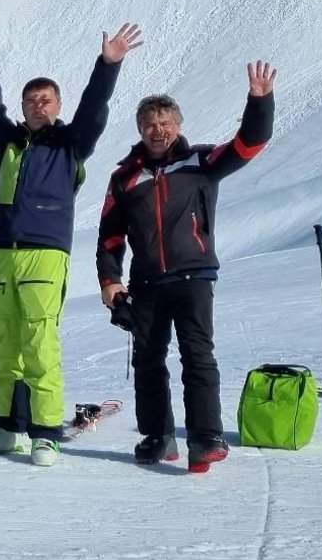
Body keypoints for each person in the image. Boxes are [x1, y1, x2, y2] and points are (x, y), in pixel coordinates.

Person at [0, 7, 143, 465]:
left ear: (57, 106)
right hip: (0, 255)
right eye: (31, 100)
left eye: (46, 99)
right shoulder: (8, 139)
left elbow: (93, 111)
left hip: (44, 256)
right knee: (3, 345)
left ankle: (45, 433)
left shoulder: (71, 145)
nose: (38, 105)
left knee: (40, 345)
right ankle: (9, 428)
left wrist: (107, 65)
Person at [98, 63, 276, 470]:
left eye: (164, 122)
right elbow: (110, 236)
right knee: (147, 360)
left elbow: (251, 142)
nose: (157, 130)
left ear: (178, 125)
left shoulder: (202, 162)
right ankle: (158, 437)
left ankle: (204, 437)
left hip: (193, 275)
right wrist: (110, 282)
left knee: (197, 356)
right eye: (149, 124)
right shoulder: (124, 178)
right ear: (140, 130)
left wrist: (260, 100)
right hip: (146, 282)